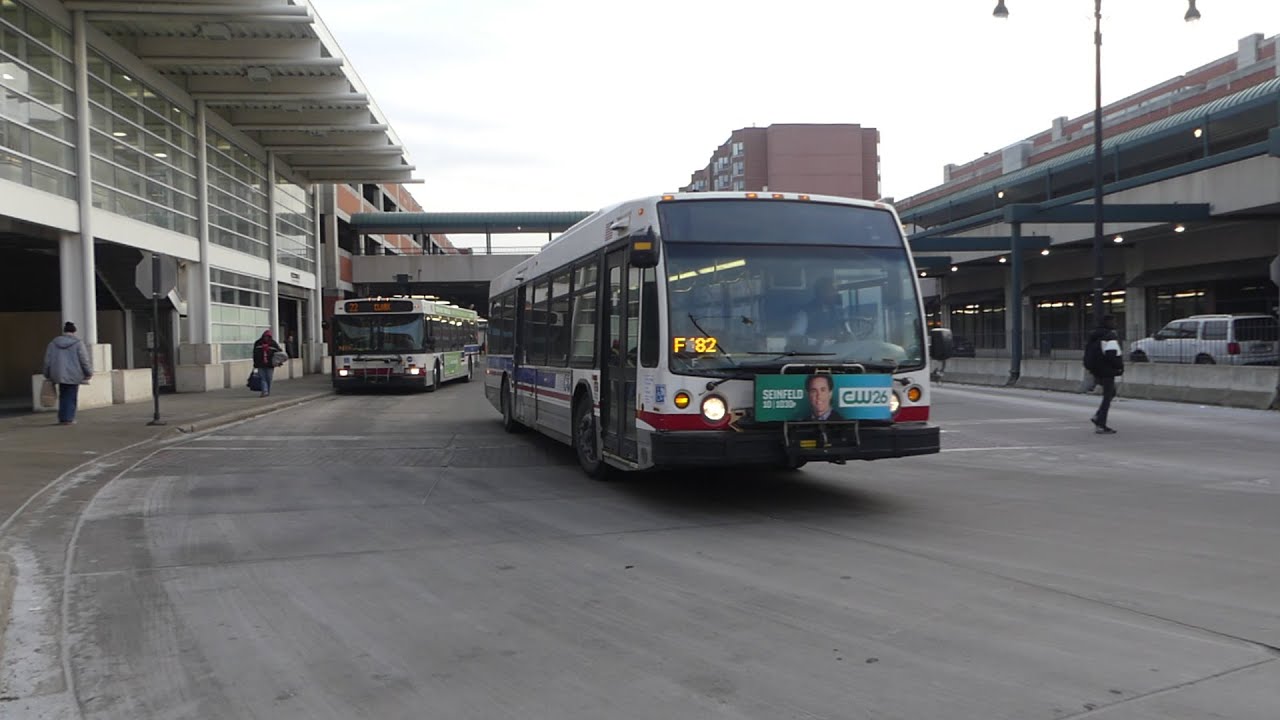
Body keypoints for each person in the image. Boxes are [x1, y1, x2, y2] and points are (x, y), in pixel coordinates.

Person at [43, 321, 93, 425]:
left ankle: (62, 417)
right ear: (74, 331)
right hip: (74, 374)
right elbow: (84, 360)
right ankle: (68, 418)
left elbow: (47, 360)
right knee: (71, 396)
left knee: (63, 395)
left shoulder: (53, 343)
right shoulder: (78, 343)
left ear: (64, 331)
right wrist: (88, 372)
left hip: (58, 374)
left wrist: (47, 374)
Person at [1083, 315, 1124, 434]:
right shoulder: (1110, 336)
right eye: (1113, 321)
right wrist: (1119, 367)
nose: (1115, 323)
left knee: (1111, 393)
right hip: (1107, 370)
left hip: (1096, 369)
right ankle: (1100, 423)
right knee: (1108, 396)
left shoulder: (1094, 335)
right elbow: (1112, 354)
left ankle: (1098, 417)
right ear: (1108, 323)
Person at [788, 276, 851, 344]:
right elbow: (795, 338)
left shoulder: (840, 311)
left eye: (835, 290)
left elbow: (848, 333)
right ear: (821, 291)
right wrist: (822, 341)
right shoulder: (805, 313)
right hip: (818, 353)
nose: (836, 293)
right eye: (832, 290)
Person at [252, 330, 283, 398]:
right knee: (263, 378)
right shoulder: (258, 343)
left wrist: (279, 362)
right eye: (265, 336)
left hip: (270, 365)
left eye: (268, 337)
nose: (266, 338)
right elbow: (254, 354)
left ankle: (267, 391)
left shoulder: (273, 344)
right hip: (260, 364)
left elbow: (279, 353)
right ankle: (264, 391)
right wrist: (255, 363)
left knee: (269, 378)